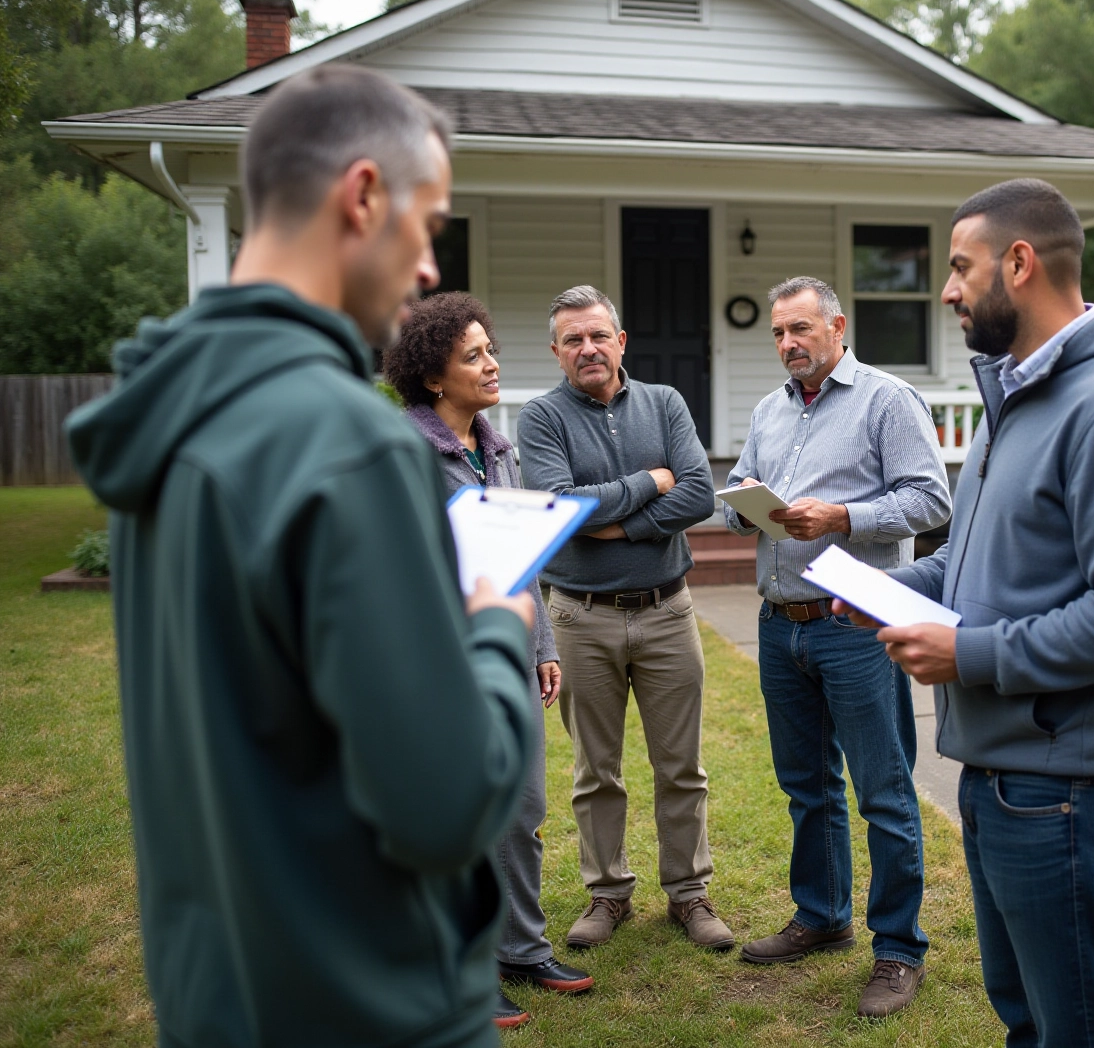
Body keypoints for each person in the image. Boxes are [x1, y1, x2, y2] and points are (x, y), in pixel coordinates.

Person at [65, 64, 543, 1045]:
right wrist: (497, 628)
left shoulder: (172, 421)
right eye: (431, 228)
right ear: (364, 196)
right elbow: (448, 805)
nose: (424, 273)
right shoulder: (345, 445)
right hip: (366, 1006)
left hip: (223, 997)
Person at [841, 178, 1094, 1047]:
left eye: (960, 268)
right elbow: (971, 567)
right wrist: (876, 589)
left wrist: (970, 655)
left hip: (1066, 792)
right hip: (1001, 778)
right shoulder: (1015, 396)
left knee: (1079, 1031)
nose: (949, 290)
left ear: (1020, 262)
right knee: (1029, 1022)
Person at [722, 276, 951, 1018]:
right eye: (778, 334)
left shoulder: (887, 399)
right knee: (806, 787)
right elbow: (735, 492)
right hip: (778, 621)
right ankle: (821, 916)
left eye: (800, 330)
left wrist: (844, 516)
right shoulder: (767, 409)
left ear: (836, 326)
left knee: (883, 791)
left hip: (854, 625)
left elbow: (929, 499)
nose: (788, 344)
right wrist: (745, 504)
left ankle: (898, 949)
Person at [382, 291, 596, 1024]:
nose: (492, 363)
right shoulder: (404, 452)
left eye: (489, 349)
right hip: (443, 663)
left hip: (508, 650)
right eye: (472, 356)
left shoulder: (495, 448)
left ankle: (521, 946)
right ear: (433, 378)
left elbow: (519, 557)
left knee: (521, 808)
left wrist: (540, 644)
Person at [515, 284, 733, 952]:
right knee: (595, 770)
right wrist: (650, 483)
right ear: (557, 351)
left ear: (621, 341)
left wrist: (610, 525)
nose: (588, 349)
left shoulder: (665, 402)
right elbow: (558, 509)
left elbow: (698, 493)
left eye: (598, 335)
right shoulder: (541, 418)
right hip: (581, 617)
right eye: (573, 340)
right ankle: (607, 894)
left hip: (669, 611)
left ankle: (688, 893)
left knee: (682, 767)